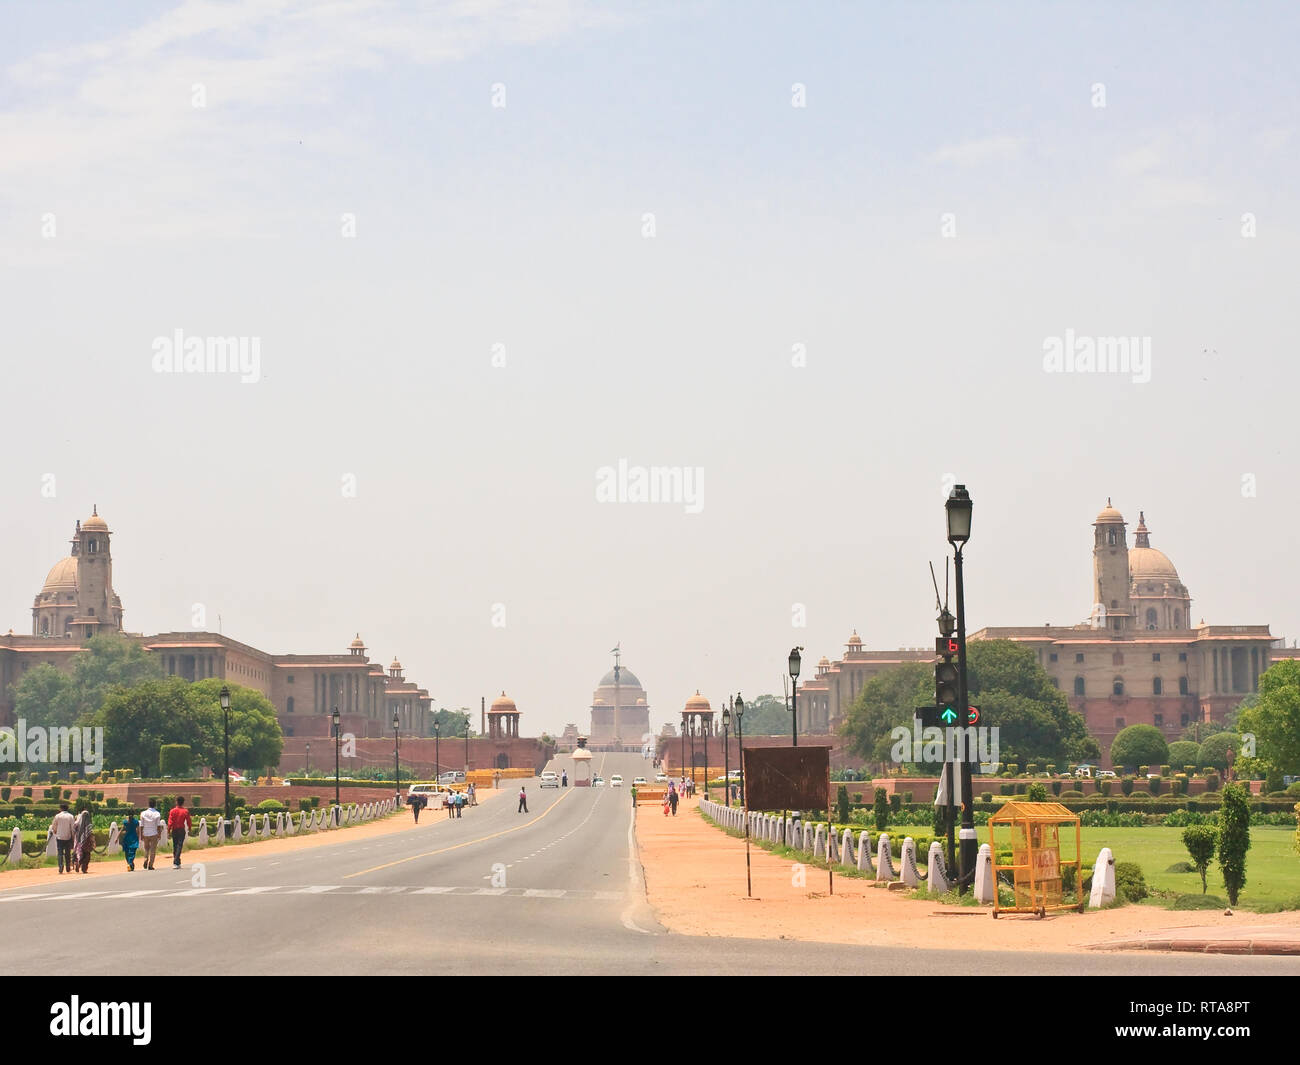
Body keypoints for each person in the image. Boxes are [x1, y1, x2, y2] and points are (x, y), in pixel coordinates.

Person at [49, 802, 75, 874]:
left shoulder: (57, 816)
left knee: (60, 853)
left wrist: (55, 832)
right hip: (68, 836)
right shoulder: (71, 816)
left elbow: (54, 826)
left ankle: (60, 867)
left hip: (59, 836)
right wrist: (73, 836)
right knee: (67, 853)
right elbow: (72, 828)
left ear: (60, 809)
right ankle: (68, 868)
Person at [167, 796, 192, 869]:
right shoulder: (185, 811)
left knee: (175, 845)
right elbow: (188, 821)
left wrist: (168, 830)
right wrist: (190, 829)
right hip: (181, 830)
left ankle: (176, 861)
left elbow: (170, 822)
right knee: (179, 845)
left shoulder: (172, 811)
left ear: (176, 802)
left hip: (174, 830)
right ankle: (176, 861)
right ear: (183, 802)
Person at [139, 798, 163, 870]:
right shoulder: (157, 813)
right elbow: (158, 826)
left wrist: (141, 834)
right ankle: (150, 865)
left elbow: (141, 825)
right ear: (155, 805)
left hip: (145, 833)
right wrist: (159, 834)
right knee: (153, 850)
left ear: (148, 804)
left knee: (146, 849)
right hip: (154, 833)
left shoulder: (143, 813)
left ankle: (145, 859)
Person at [73, 809, 94, 874]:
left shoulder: (77, 823)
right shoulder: (89, 824)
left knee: (81, 854)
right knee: (87, 855)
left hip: (79, 841)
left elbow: (74, 830)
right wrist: (93, 841)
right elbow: (90, 833)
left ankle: (79, 863)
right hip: (87, 841)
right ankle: (84, 868)